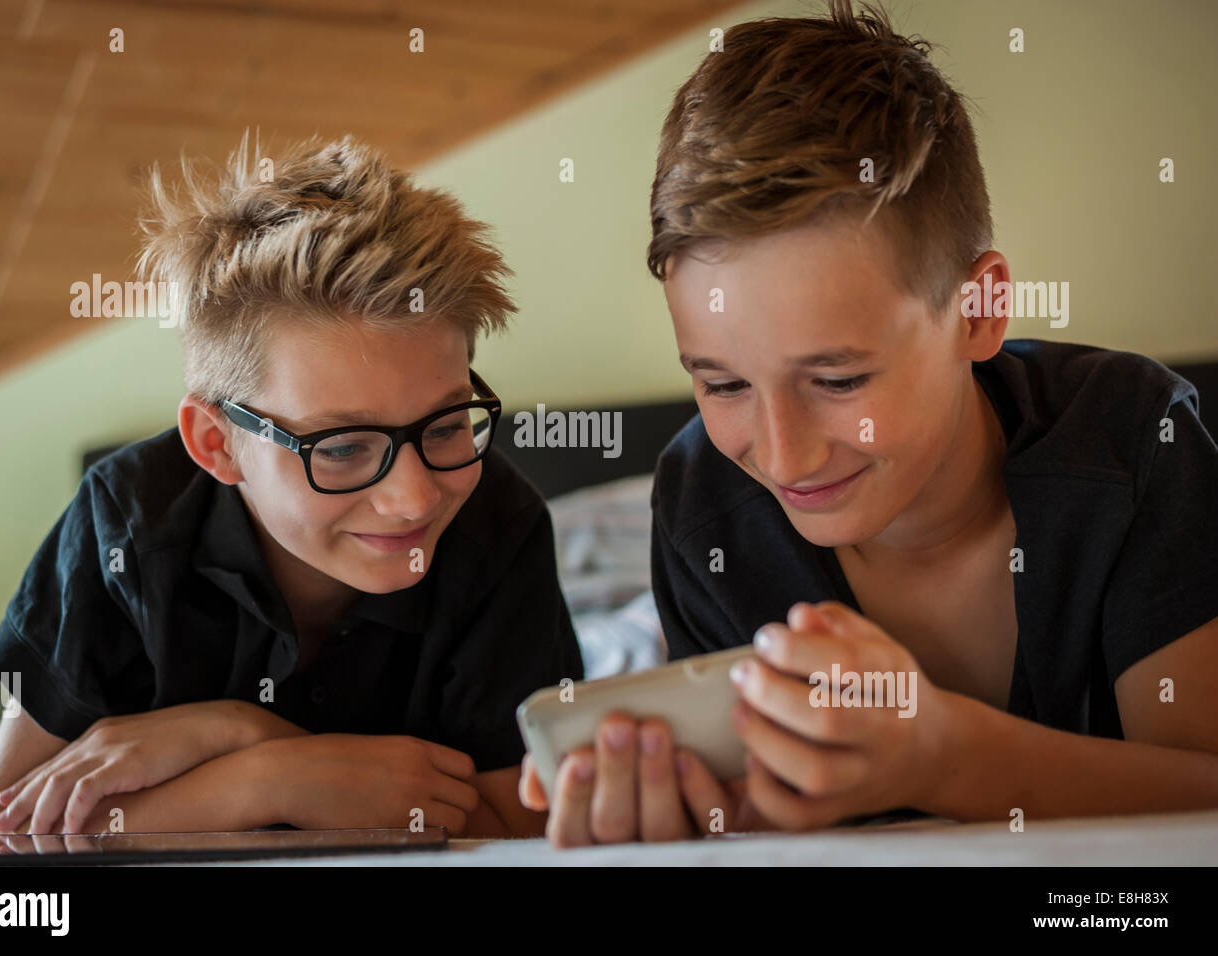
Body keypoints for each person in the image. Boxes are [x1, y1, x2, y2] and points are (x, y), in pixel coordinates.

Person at [520, 1, 1218, 847]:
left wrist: (942, 757)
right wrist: (724, 815)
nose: (781, 456)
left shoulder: (1135, 440)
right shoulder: (704, 502)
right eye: (725, 384)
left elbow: (1204, 789)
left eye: (839, 378)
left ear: (981, 309)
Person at [0, 132, 582, 838]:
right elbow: (2, 835)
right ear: (216, 444)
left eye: (446, 427)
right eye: (345, 446)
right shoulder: (125, 526)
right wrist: (262, 774)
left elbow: (521, 828)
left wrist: (254, 753)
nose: (414, 498)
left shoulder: (499, 525)